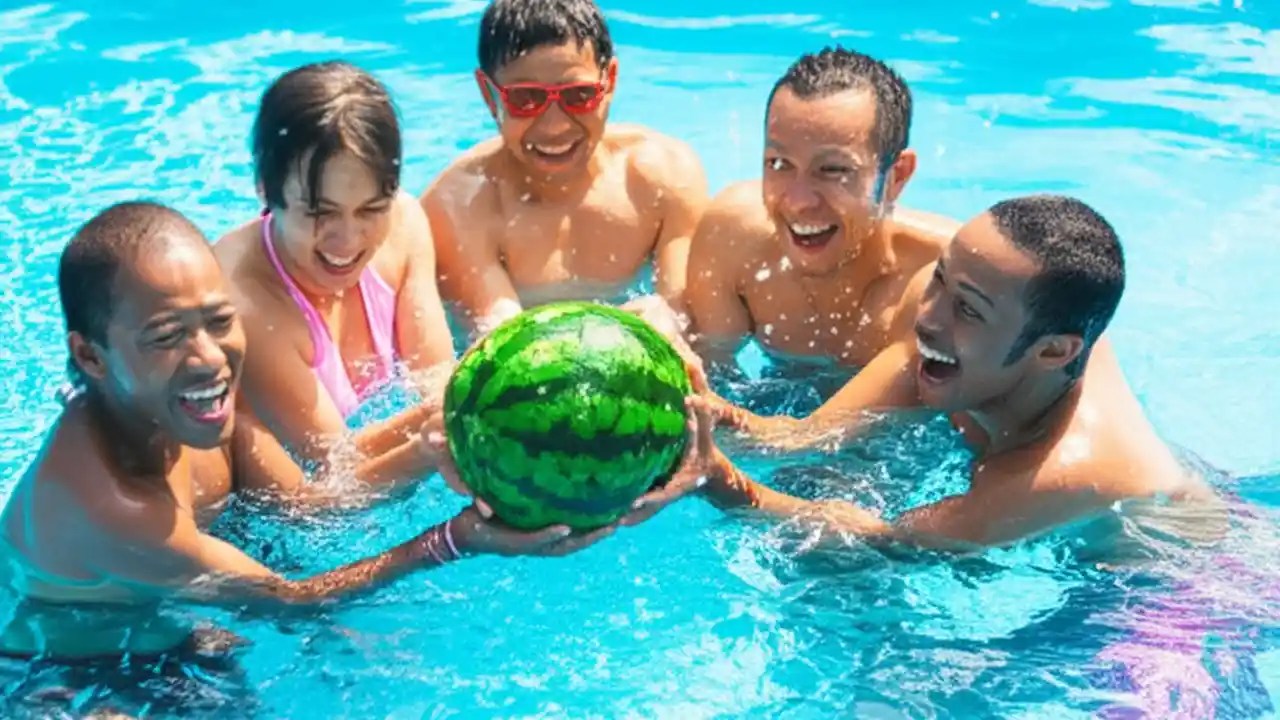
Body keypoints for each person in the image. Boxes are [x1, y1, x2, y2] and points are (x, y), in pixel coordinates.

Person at [0, 201, 627, 663]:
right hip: (67, 668)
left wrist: (456, 427)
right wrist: (458, 538)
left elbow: (308, 506)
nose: (209, 357)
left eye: (219, 320)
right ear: (90, 357)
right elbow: (295, 598)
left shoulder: (193, 399)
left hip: (175, 605)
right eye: (165, 337)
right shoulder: (107, 504)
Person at [668, 195, 1226, 553]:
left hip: (1165, 580)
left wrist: (716, 478)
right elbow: (804, 437)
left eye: (969, 309)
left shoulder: (1065, 472)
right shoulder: (974, 325)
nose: (928, 316)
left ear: (1054, 352)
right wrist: (694, 402)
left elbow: (881, 540)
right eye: (939, 279)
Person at [214, 60, 455, 487]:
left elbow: (434, 378)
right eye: (320, 213)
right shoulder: (242, 300)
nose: (347, 241)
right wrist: (458, 417)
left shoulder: (405, 223)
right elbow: (335, 461)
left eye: (370, 209)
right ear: (266, 190)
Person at [420, 0, 709, 341]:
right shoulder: (458, 206)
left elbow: (686, 318)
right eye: (526, 98)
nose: (554, 126)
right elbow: (503, 341)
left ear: (610, 82)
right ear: (488, 94)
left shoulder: (663, 178)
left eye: (579, 95)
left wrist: (669, 319)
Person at [684, 46, 957, 390]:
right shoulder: (733, 239)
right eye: (779, 164)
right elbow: (710, 377)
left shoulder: (948, 280)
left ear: (897, 176)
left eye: (832, 170)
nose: (799, 202)